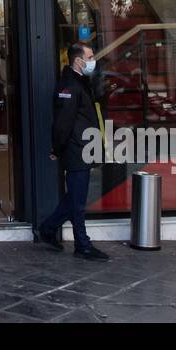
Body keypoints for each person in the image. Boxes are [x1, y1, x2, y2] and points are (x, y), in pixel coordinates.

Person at [35, 42, 110, 261]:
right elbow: (62, 123)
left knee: (75, 198)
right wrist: (56, 148)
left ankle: (48, 229)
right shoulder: (68, 86)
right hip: (76, 149)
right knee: (77, 202)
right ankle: (82, 245)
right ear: (78, 61)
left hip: (84, 147)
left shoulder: (81, 82)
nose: (93, 61)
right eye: (90, 57)